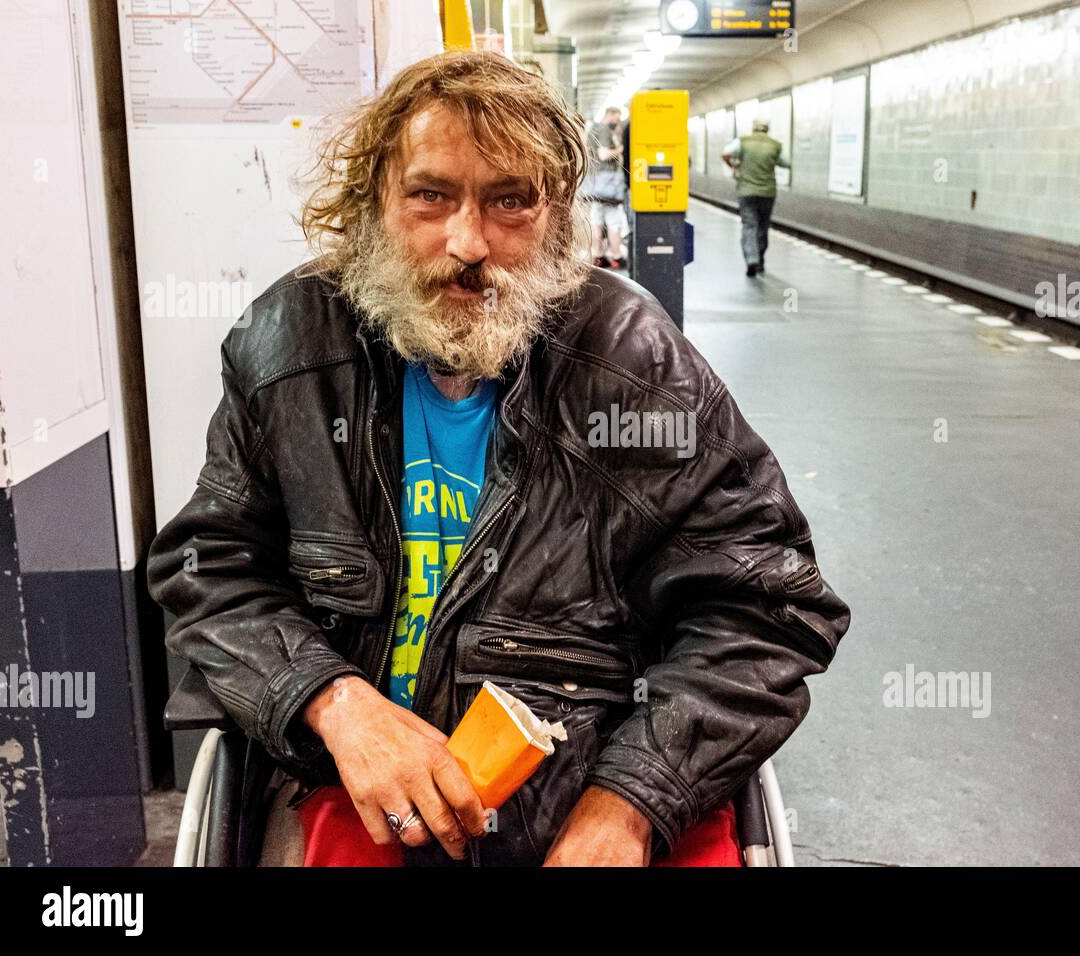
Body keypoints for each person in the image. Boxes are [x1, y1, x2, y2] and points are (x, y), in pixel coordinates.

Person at [146, 51, 848, 867]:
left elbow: (767, 608)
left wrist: (631, 801)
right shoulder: (291, 349)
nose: (467, 241)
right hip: (368, 791)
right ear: (378, 200)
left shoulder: (632, 365)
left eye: (509, 200)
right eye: (431, 194)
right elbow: (211, 568)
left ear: (555, 215)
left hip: (587, 778)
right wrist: (337, 704)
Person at [722, 118, 790, 277]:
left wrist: (734, 165)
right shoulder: (775, 145)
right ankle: (760, 259)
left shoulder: (743, 142)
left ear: (753, 128)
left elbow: (725, 153)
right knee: (763, 225)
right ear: (767, 129)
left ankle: (752, 259)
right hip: (767, 192)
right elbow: (786, 163)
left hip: (746, 191)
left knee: (749, 225)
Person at [584, 106, 629, 269]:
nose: (617, 122)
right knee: (614, 220)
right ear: (610, 115)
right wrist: (620, 150)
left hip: (595, 185)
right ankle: (617, 257)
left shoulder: (594, 129)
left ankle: (598, 256)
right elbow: (603, 154)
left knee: (596, 220)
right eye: (616, 118)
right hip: (607, 185)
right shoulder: (603, 129)